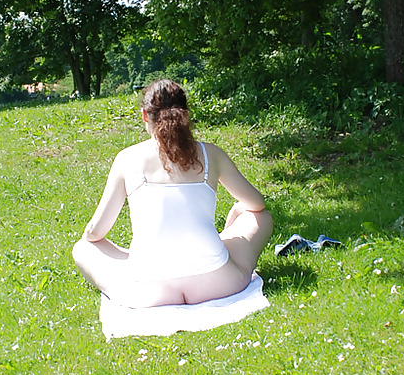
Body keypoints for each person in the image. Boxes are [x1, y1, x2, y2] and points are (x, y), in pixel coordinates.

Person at [72, 79, 273, 308]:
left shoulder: (127, 158)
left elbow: (95, 233)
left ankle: (143, 262)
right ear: (185, 114)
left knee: (83, 247)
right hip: (219, 284)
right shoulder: (211, 154)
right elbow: (257, 204)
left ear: (145, 115)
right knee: (261, 217)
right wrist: (238, 210)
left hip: (149, 293)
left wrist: (129, 253)